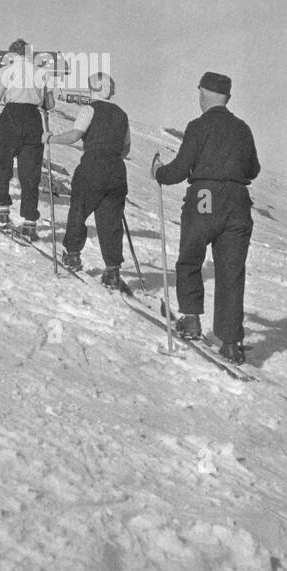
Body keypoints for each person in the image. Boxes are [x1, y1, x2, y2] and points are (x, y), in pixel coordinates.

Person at [153, 72, 259, 363]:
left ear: (203, 94)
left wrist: (158, 172)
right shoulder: (242, 129)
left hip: (204, 199)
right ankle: (230, 342)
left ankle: (191, 320)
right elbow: (253, 170)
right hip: (238, 203)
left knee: (190, 258)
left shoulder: (198, 126)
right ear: (227, 97)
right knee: (231, 271)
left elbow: (179, 169)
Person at [48, 72, 130, 279]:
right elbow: (126, 148)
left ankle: (73, 255)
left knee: (79, 209)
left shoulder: (89, 108)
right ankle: (113, 270)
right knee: (111, 220)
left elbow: (75, 135)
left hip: (93, 165)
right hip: (117, 169)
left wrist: (51, 138)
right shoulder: (122, 114)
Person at [0, 39, 55, 242]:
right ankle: (30, 222)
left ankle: (3, 210)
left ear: (13, 53)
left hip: (12, 115)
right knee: (30, 172)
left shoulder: (7, 70)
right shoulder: (41, 73)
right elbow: (50, 104)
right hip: (33, 119)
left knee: (3, 162)